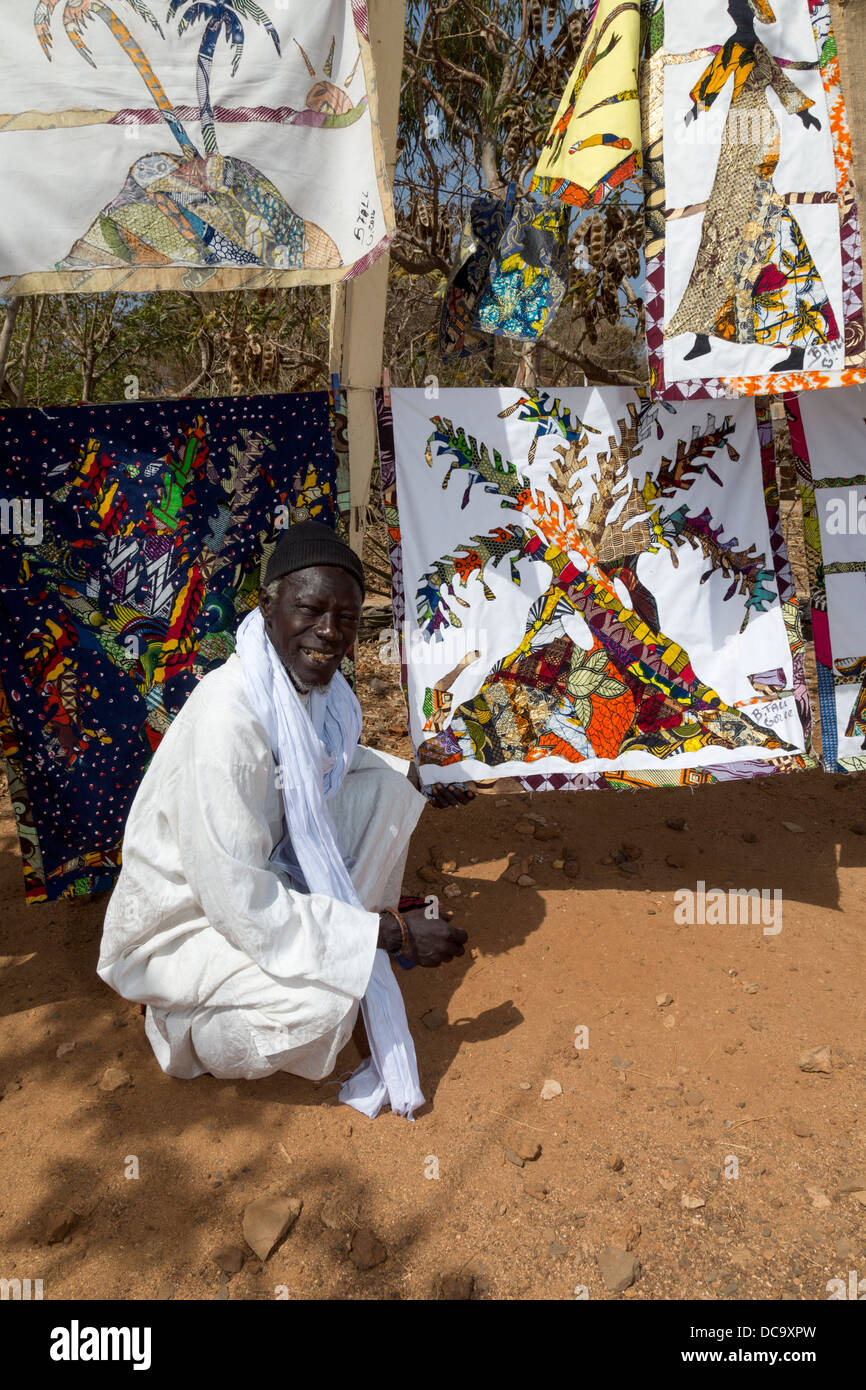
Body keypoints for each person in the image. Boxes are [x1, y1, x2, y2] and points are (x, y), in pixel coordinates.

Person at [97, 521, 471, 1118]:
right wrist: (382, 935)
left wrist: (416, 775)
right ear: (268, 606)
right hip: (188, 921)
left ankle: (335, 940)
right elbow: (239, 900)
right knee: (323, 1008)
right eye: (311, 610)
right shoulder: (230, 717)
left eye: (345, 618)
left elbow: (331, 761)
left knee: (390, 793)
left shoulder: (311, 684)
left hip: (258, 873)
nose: (329, 632)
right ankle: (182, 1027)